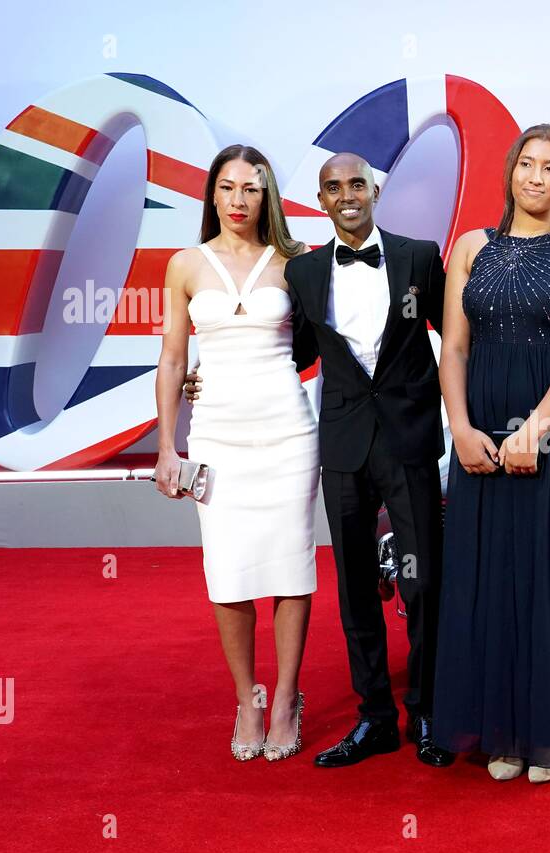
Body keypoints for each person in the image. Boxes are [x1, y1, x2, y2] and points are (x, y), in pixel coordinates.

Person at [191, 152, 453, 768]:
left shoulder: (419, 256)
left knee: (423, 581)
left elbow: (456, 337)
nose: (346, 195)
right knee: (356, 588)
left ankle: (430, 713)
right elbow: (287, 348)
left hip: (409, 439)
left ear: (375, 190)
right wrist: (200, 379)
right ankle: (375, 720)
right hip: (339, 444)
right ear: (321, 197)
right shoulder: (305, 272)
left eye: (356, 184)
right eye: (332, 188)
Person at [433, 123, 550, 784]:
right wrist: (459, 426)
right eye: (529, 165)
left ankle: (547, 731)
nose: (538, 177)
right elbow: (453, 348)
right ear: (510, 172)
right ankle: (502, 732)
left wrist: (535, 429)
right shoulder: (470, 247)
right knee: (487, 578)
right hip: (479, 433)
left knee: (548, 580)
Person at [155, 144, 317, 762]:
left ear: (266, 195)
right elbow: (173, 357)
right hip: (216, 436)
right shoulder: (185, 265)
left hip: (288, 434)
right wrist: (168, 447)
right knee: (227, 572)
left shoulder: (294, 262)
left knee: (290, 568)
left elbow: (319, 343)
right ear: (211, 195)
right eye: (227, 188)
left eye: (250, 189)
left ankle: (285, 701)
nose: (238, 200)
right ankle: (249, 698)